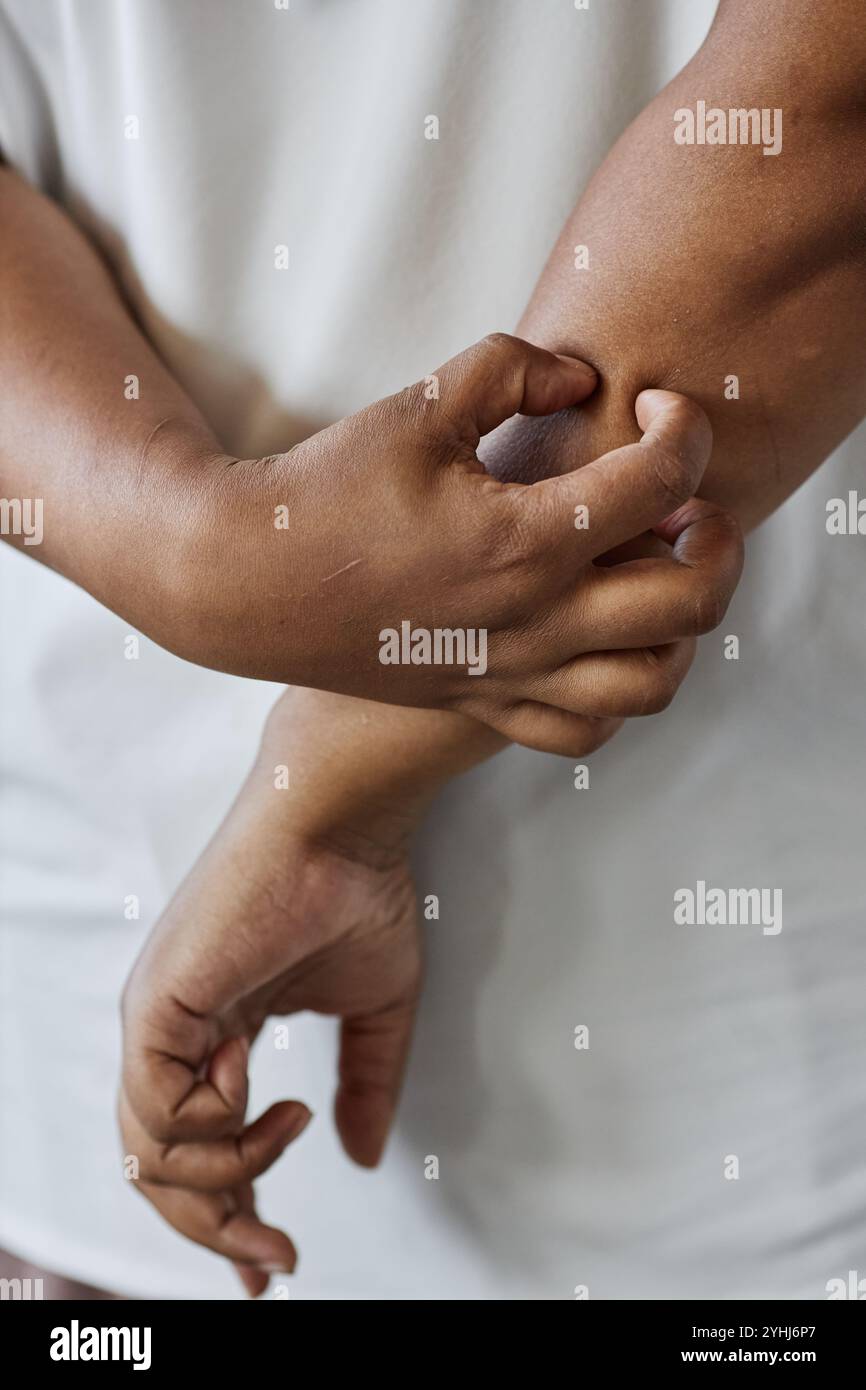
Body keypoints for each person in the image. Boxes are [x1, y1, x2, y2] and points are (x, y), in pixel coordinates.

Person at [2, 0, 865, 1300]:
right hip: (95, 1081)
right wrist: (190, 553)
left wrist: (322, 768)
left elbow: (824, 107)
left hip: (738, 1133)